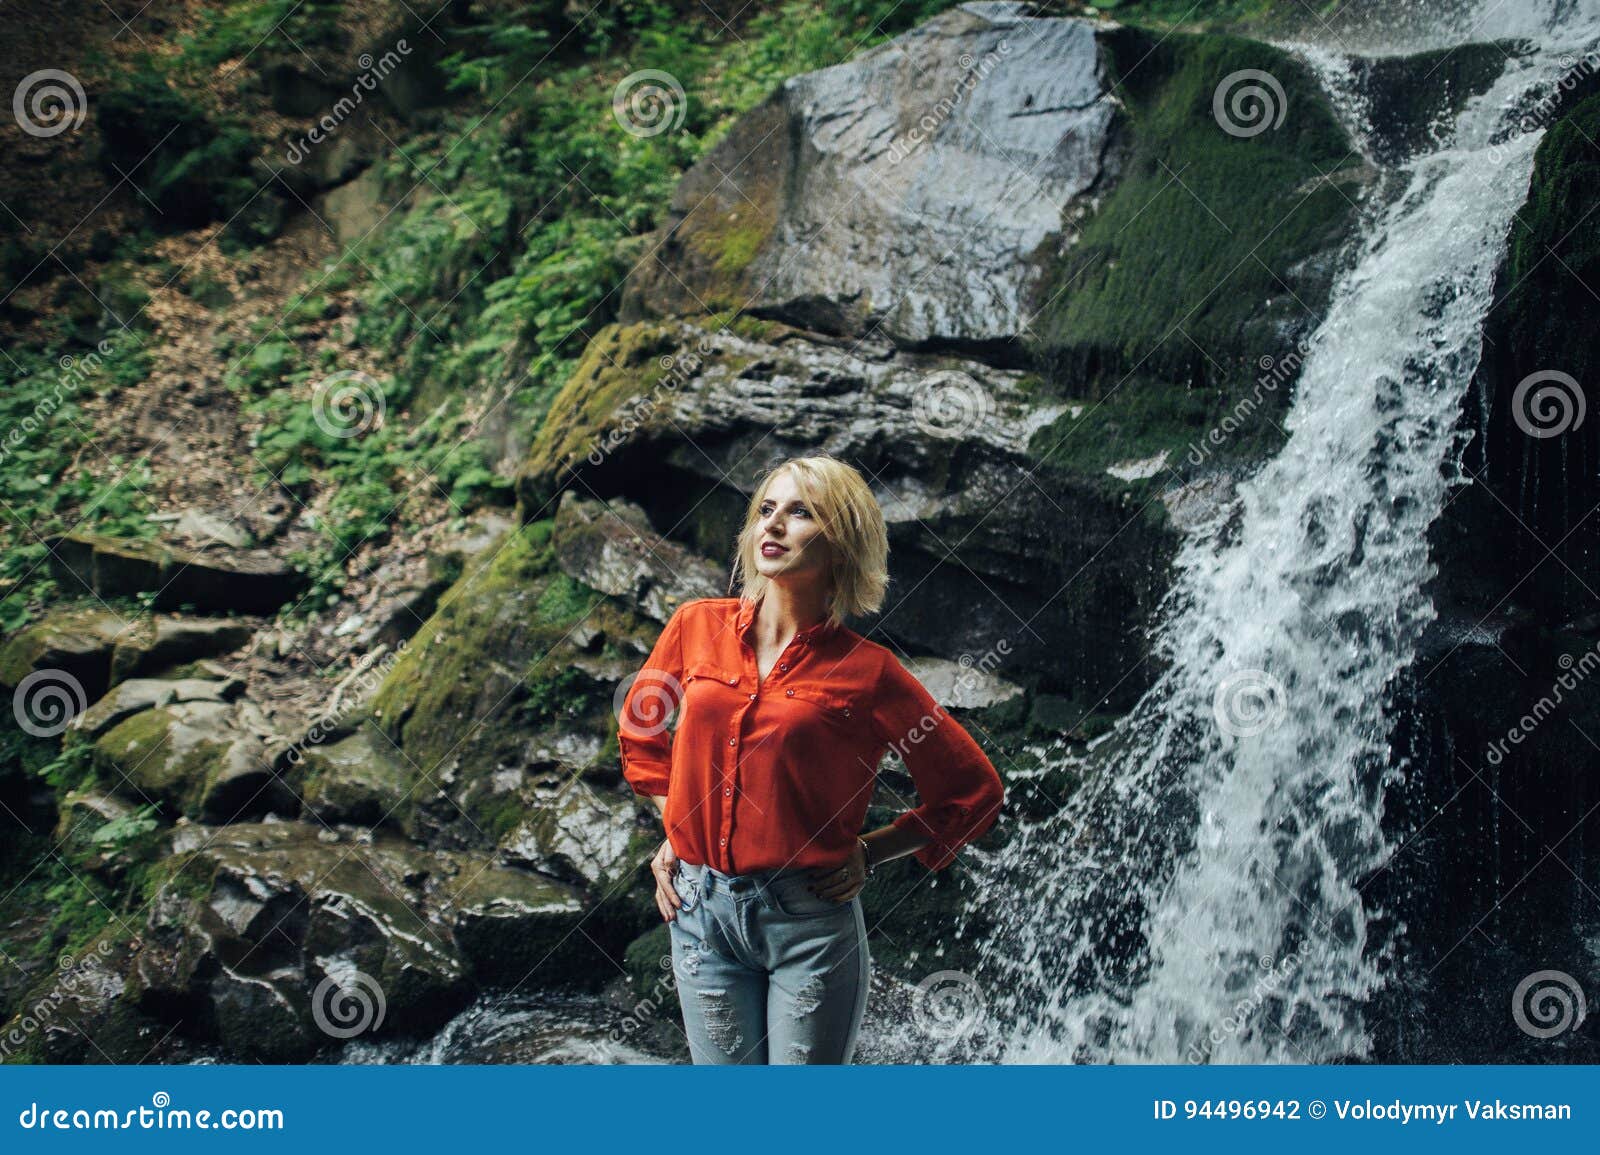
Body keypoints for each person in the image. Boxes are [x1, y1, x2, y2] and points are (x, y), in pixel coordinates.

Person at [616, 453, 1005, 1064]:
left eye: (800, 513)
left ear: (842, 542)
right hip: (698, 913)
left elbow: (973, 790)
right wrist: (678, 822)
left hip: (808, 925)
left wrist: (873, 851)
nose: (773, 525)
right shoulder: (696, 625)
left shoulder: (870, 673)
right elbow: (641, 729)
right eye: (766, 509)